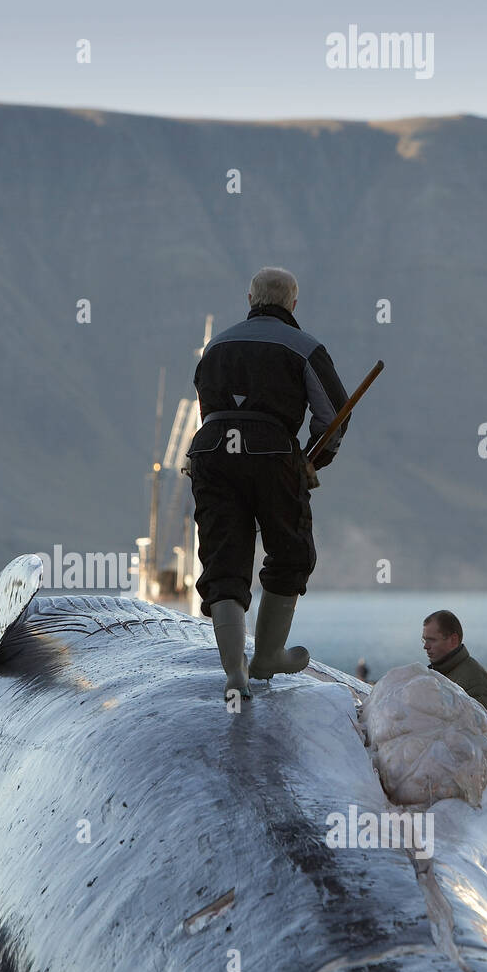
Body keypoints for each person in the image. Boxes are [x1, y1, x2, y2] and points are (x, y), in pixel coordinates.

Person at [186, 266, 350, 699]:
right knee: (290, 551)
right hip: (272, 454)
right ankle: (267, 656)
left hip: (210, 453)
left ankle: (233, 670)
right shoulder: (305, 347)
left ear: (249, 299)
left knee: (223, 558)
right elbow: (335, 414)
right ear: (293, 303)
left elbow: (209, 407)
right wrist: (316, 458)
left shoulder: (215, 345)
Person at [422, 610, 487, 724]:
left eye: (432, 640)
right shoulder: (434, 674)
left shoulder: (476, 679)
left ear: (453, 640)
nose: (425, 646)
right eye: (424, 640)